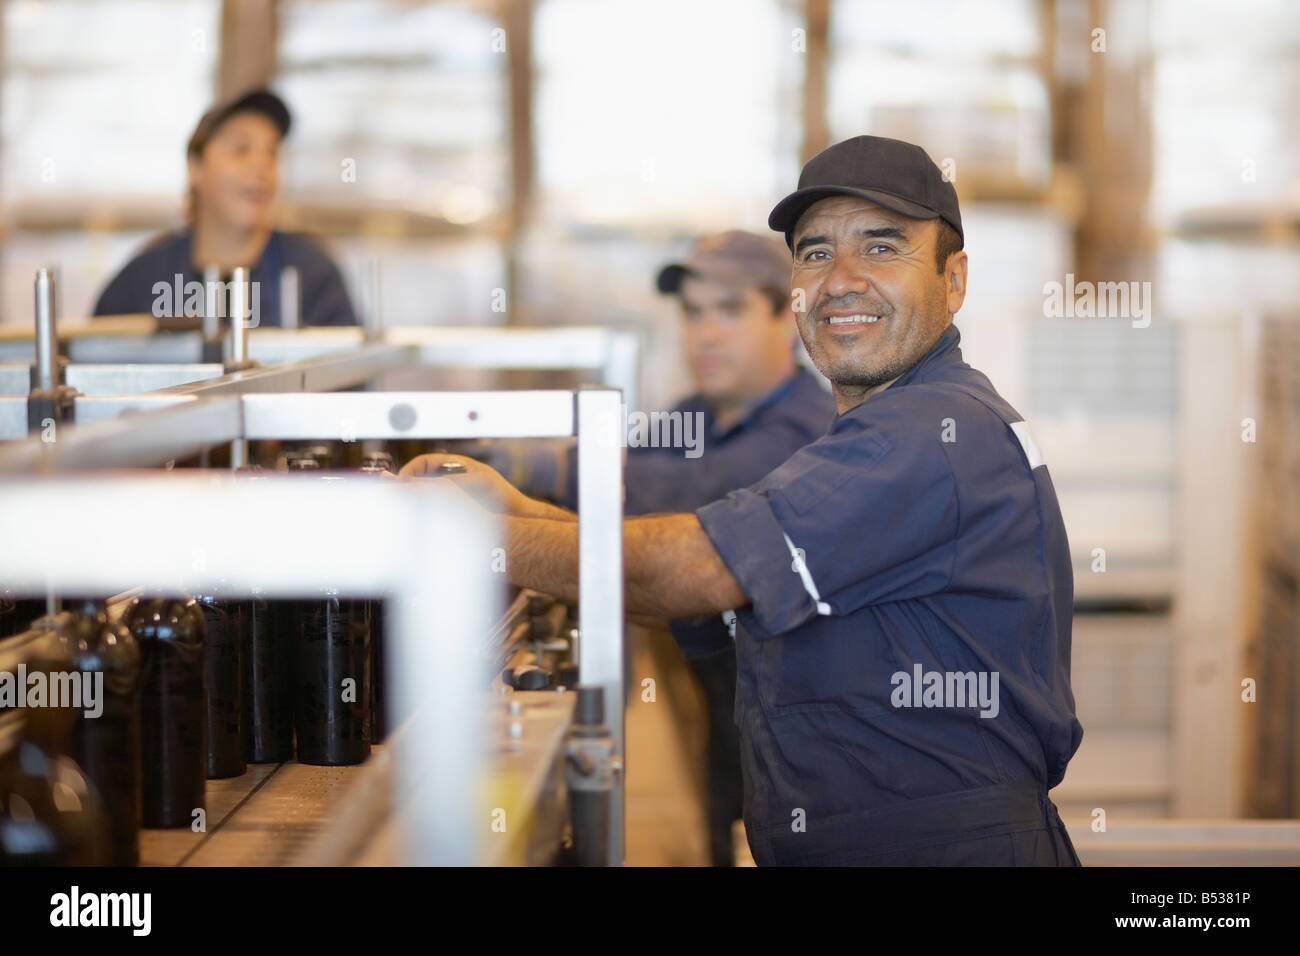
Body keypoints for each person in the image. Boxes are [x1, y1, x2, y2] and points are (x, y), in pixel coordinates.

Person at [404, 135, 1083, 866]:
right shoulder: (876, 429)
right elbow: (690, 574)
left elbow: (693, 567)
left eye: (882, 248)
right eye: (816, 253)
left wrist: (480, 536)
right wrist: (517, 508)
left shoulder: (924, 433)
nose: (842, 279)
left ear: (954, 281)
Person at [93, 88, 357, 328]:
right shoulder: (143, 280)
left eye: (272, 153)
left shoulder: (311, 272)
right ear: (195, 166)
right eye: (241, 150)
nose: (262, 166)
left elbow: (350, 375)